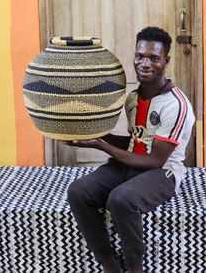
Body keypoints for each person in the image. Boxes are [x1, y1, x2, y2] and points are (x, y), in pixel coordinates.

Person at [65, 26, 195, 273]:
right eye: (140, 56)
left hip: (162, 172)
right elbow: (135, 142)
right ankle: (109, 265)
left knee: (121, 199)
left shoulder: (176, 105)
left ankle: (135, 269)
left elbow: (156, 160)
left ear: (166, 61)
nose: (145, 63)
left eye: (154, 58)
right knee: (78, 191)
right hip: (131, 164)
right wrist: (95, 135)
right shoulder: (133, 98)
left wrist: (102, 146)